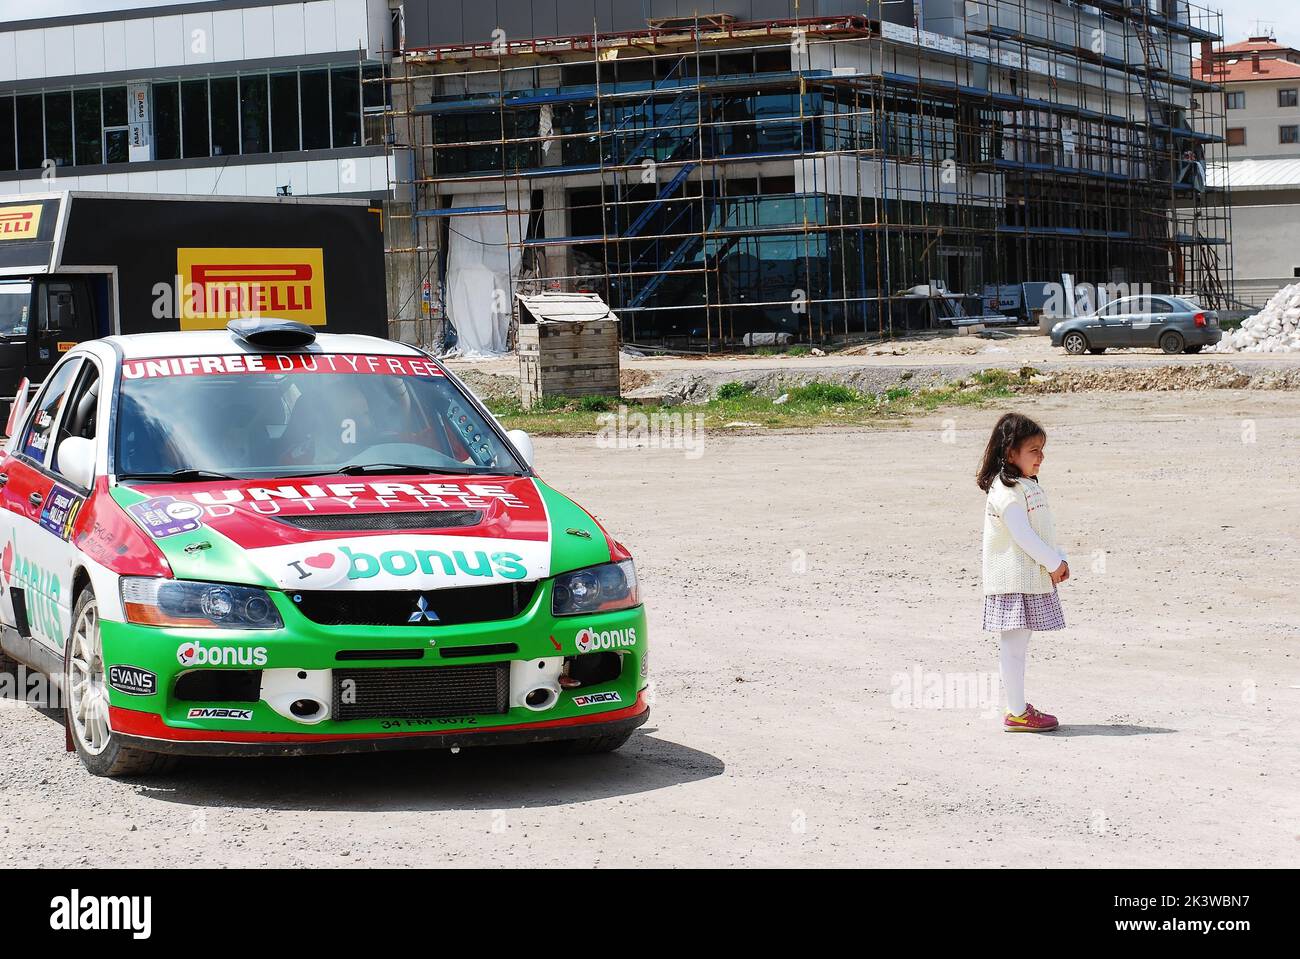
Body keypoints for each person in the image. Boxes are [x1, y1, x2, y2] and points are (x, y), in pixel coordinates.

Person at [976, 412, 1069, 733]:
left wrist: (1059, 557)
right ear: (1010, 452)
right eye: (1033, 450)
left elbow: (1043, 531)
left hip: (1027, 579)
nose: (1041, 456)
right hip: (1013, 581)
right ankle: (1016, 712)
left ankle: (1017, 708)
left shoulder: (1026, 486)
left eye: (1042, 450)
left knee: (1018, 645)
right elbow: (1023, 536)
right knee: (1013, 648)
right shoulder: (1005, 491)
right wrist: (1053, 563)